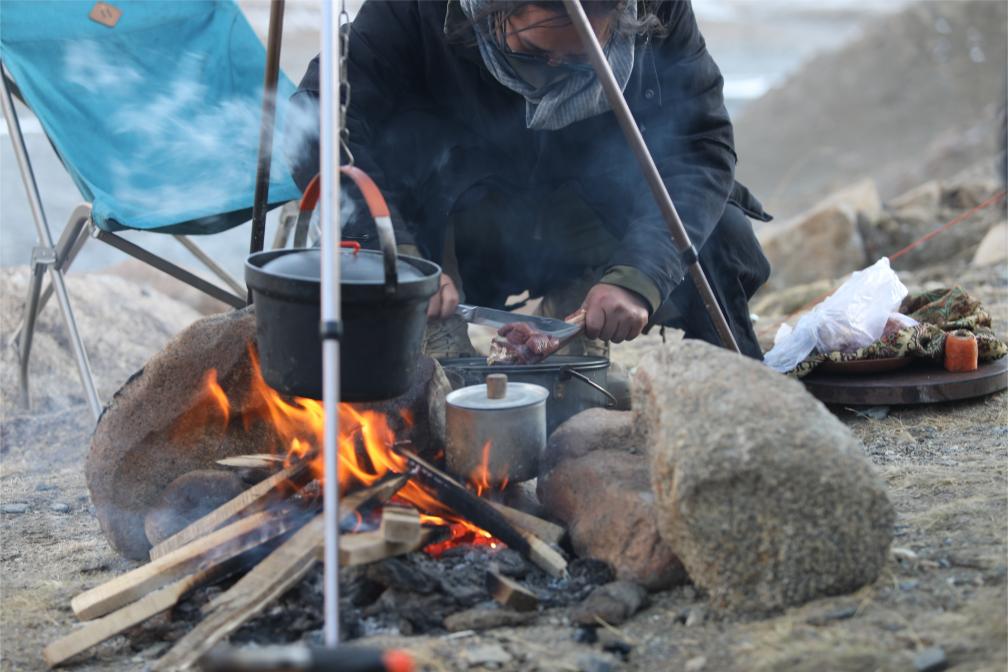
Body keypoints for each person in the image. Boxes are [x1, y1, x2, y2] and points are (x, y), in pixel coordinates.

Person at [286, 0, 773, 359]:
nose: (556, 72)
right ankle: (430, 341)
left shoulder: (657, 10)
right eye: (535, 53)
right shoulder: (414, 9)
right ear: (494, 11)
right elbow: (316, 131)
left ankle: (584, 299)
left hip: (585, 212)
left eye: (582, 59)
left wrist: (639, 275)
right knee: (424, 378)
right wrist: (397, 259)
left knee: (719, 233)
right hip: (456, 225)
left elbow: (701, 148)